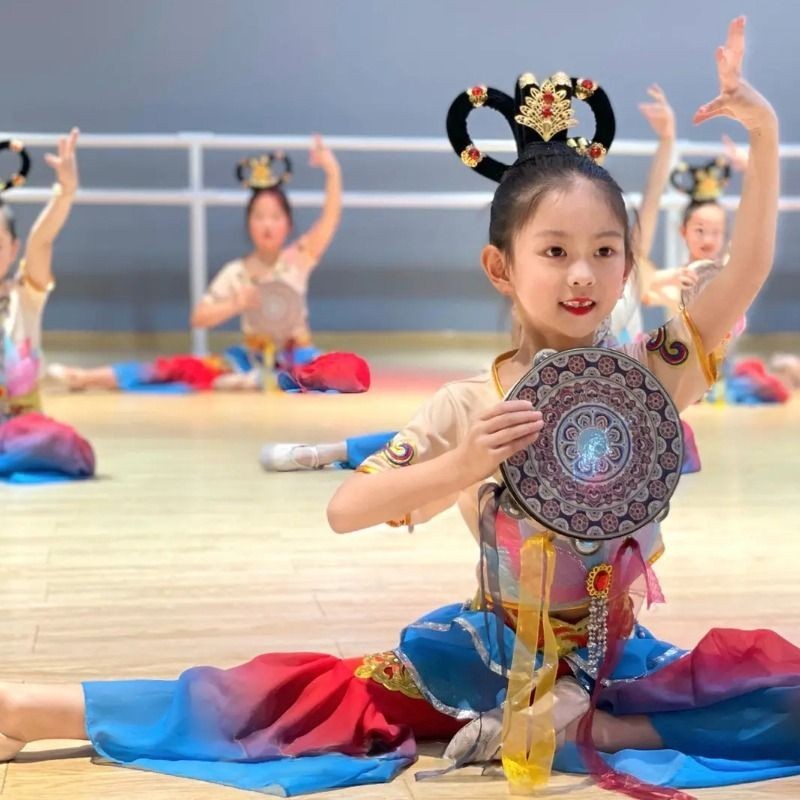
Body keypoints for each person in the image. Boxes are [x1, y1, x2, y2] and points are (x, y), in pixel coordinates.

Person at [1, 18, 795, 799]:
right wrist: (464, 463)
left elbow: (748, 268)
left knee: (780, 694)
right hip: (482, 656)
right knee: (299, 700)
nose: (581, 273)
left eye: (603, 250)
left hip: (613, 662)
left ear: (627, 268)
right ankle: (37, 708)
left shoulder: (650, 377)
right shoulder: (468, 403)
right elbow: (349, 509)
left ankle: (588, 730)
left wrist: (763, 137)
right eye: (554, 251)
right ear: (500, 265)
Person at [47, 135, 362, 393]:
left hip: (298, 356)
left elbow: (330, 217)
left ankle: (266, 383)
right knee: (178, 368)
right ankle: (88, 377)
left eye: (275, 217)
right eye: (259, 216)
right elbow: (199, 317)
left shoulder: (298, 258)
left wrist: (332, 171)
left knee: (340, 368)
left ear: (288, 224)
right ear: (249, 223)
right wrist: (237, 302)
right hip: (249, 359)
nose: (267, 224)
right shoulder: (237, 272)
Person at [0, 129, 94, 482]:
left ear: (12, 249)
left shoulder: (24, 295)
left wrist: (64, 191)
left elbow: (41, 242)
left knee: (66, 445)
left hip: (21, 427)